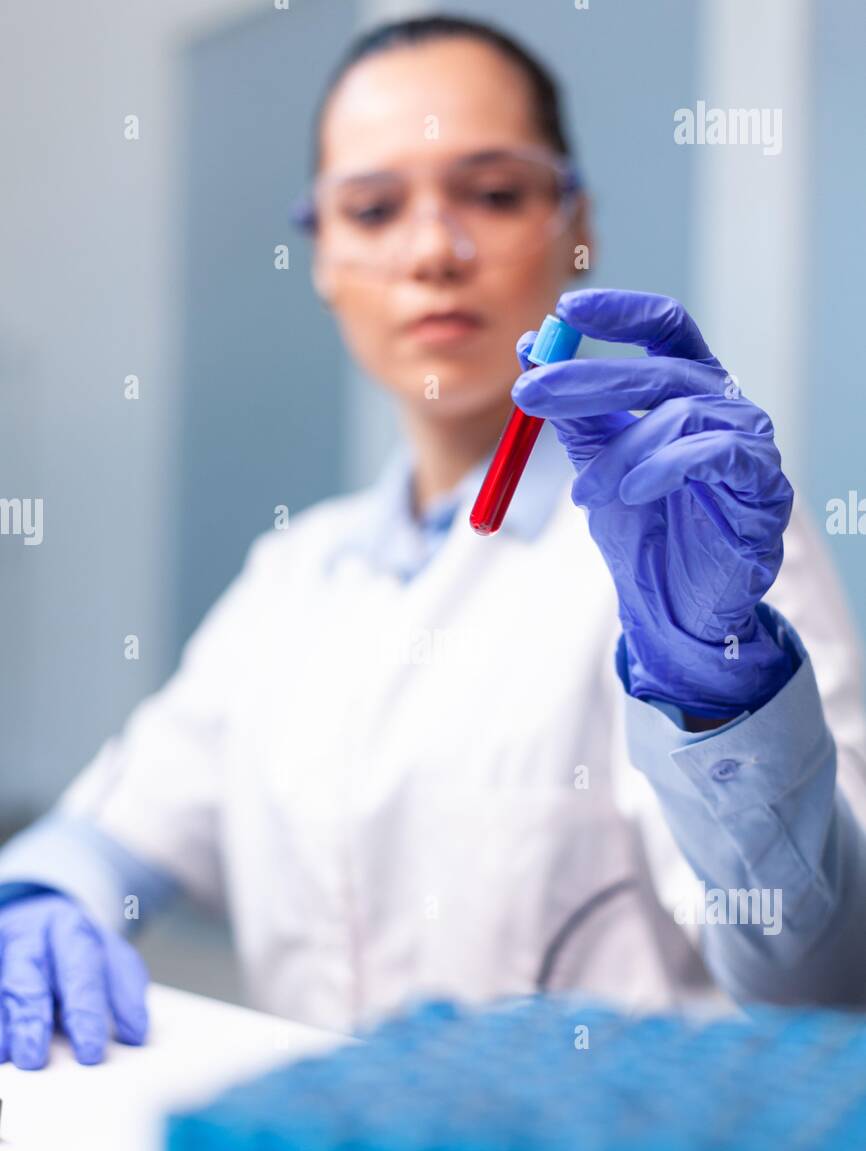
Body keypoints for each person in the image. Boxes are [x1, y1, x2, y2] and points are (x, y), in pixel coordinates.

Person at [2, 15, 865, 1071]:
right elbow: (124, 827)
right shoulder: (295, 575)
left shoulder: (698, 542)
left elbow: (823, 982)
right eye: (371, 208)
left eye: (494, 193)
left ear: (572, 223)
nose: (432, 250)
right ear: (321, 252)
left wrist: (716, 692)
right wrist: (51, 894)